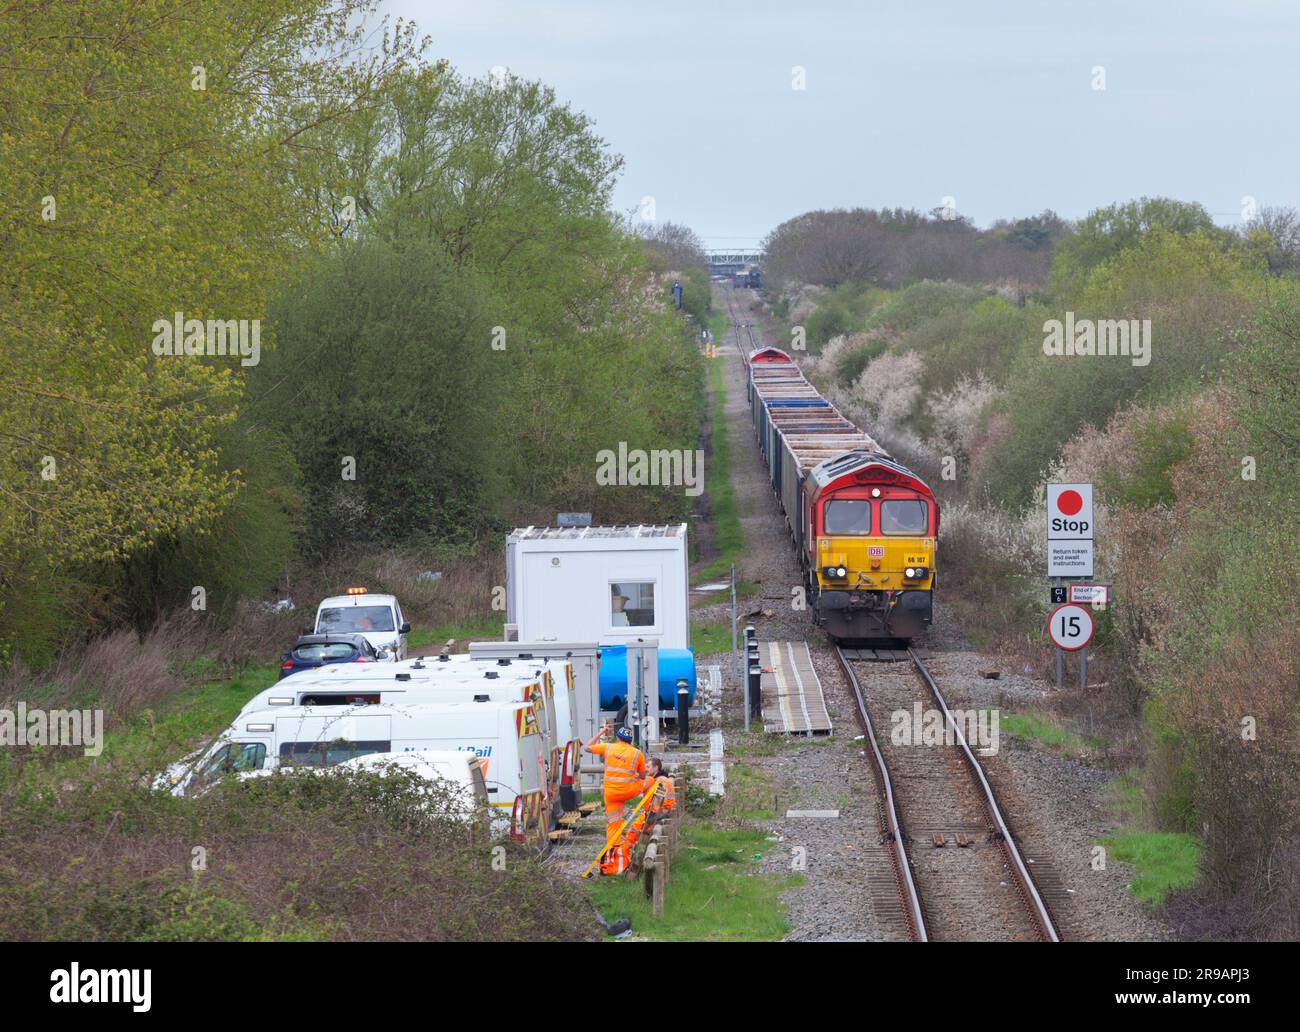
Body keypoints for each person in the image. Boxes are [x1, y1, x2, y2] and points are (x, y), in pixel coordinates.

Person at [584, 723, 651, 875]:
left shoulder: (608, 747)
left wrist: (601, 732)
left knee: (613, 825)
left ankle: (611, 856)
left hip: (611, 794)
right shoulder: (636, 753)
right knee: (648, 781)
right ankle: (649, 808)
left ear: (617, 738)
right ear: (630, 741)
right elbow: (642, 775)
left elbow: (587, 747)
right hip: (628, 791)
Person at [626, 757, 676, 858]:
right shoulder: (661, 779)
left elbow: (659, 802)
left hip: (656, 813)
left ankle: (624, 859)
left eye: (648, 766)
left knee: (632, 832)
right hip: (659, 811)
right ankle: (631, 855)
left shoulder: (658, 781)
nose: (646, 768)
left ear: (656, 767)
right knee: (634, 831)